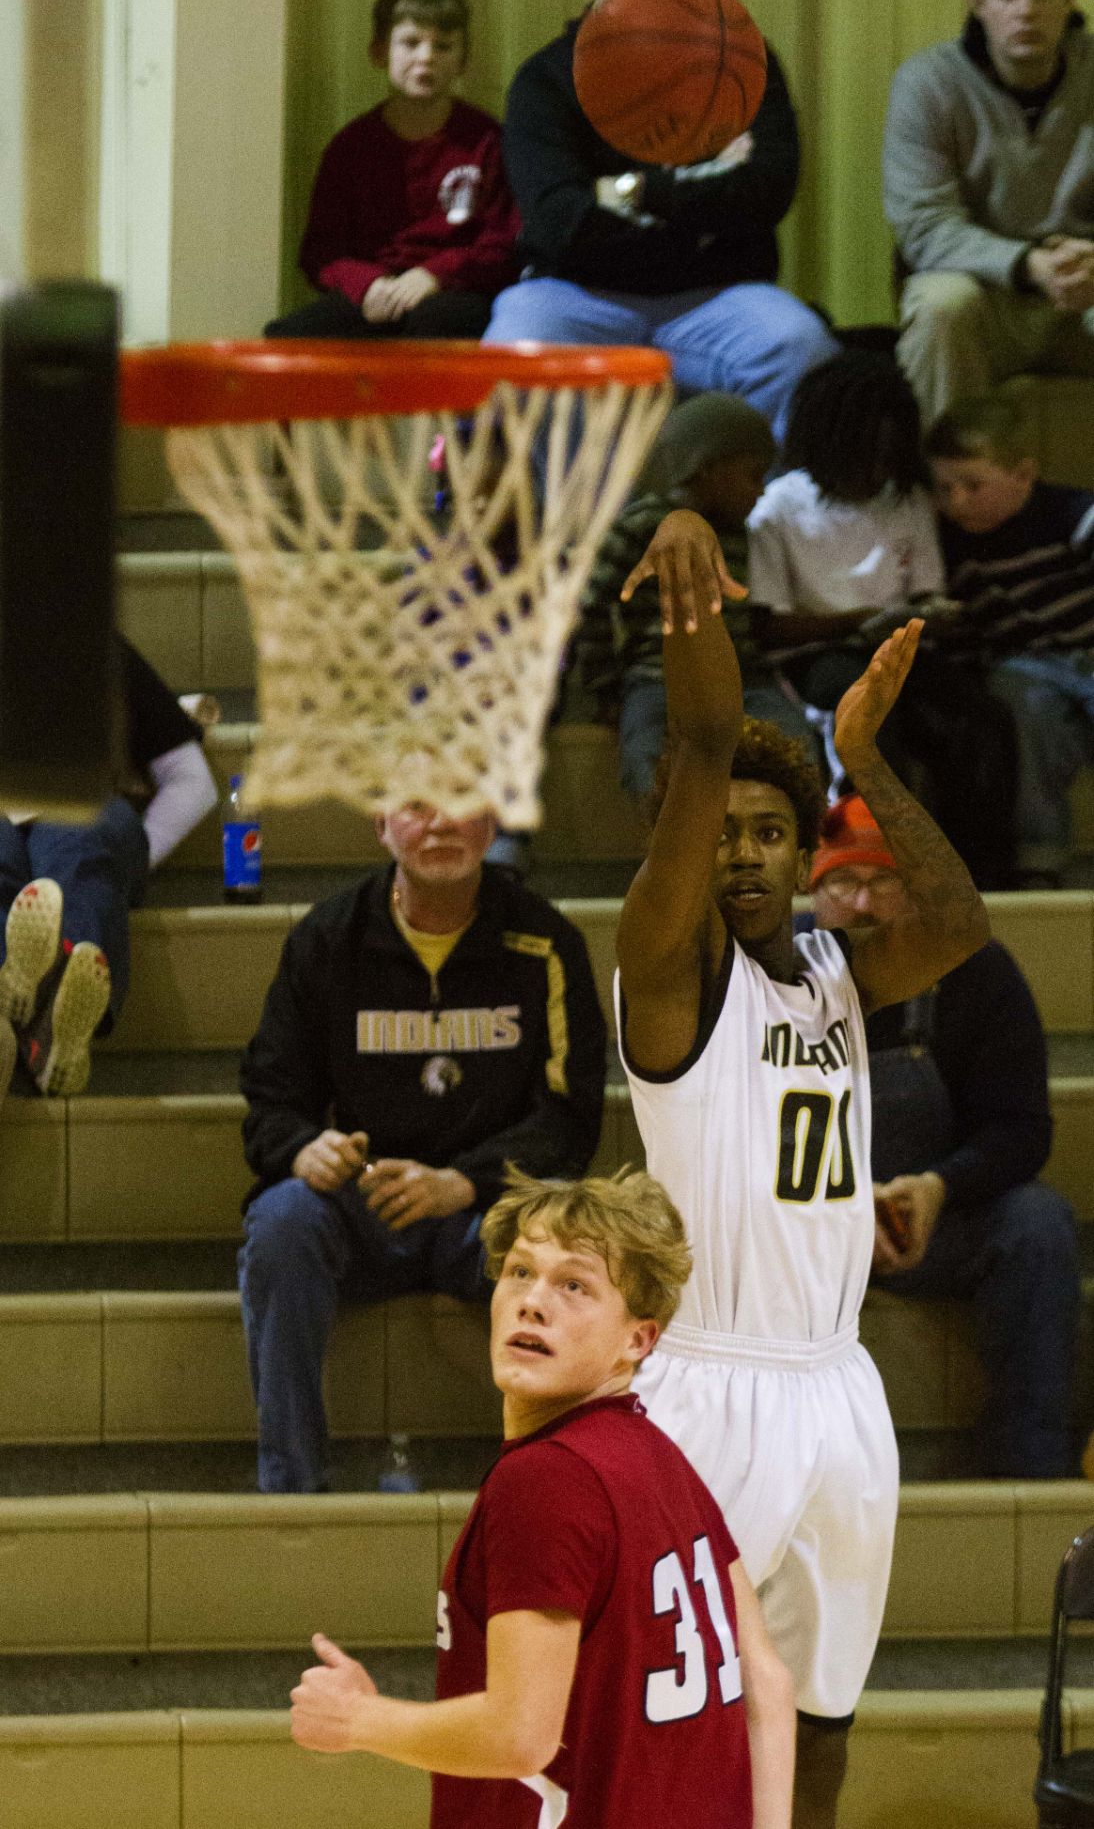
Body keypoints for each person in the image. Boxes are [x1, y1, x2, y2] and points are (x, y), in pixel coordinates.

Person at [612, 505, 991, 1828]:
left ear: (801, 851)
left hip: (837, 1389)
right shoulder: (667, 973)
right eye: (720, 832)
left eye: (769, 832)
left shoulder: (833, 972)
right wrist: (688, 568)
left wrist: (864, 757)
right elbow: (702, 740)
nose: (741, 851)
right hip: (703, 1390)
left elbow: (957, 921)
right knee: (671, 1730)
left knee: (817, 1727)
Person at [290, 1166, 796, 1828]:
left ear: (638, 1339)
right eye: (520, 1271)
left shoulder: (545, 1479)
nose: (532, 1302)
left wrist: (360, 1719)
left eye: (574, 1285)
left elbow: (519, 1736)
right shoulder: (664, 1459)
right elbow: (767, 1684)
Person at [238, 803, 607, 1492]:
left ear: (493, 824)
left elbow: (570, 1118)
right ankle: (290, 1489)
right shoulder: (327, 939)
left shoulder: (546, 941)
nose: (440, 822)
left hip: (488, 1212)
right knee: (282, 1221)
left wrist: (463, 1182)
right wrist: (303, 1148)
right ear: (381, 825)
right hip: (363, 1205)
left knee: (569, 1241)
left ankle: (555, 1487)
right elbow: (270, 1096)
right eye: (416, 803)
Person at [810, 793, 1079, 1479]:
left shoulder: (977, 970)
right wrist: (838, 1211)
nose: (863, 904)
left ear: (917, 889)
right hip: (804, 1229)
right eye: (843, 884)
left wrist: (939, 1186)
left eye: (884, 883)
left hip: (933, 1222)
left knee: (1037, 1224)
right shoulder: (775, 972)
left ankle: (1029, 1472)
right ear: (811, 888)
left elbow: (1022, 1129)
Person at [485, 0, 837, 445]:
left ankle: (751, 499)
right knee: (516, 346)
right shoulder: (547, 77)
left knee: (802, 348)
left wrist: (624, 192)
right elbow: (558, 221)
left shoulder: (745, 64)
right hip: (578, 296)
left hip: (714, 297)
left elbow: (767, 192)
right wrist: (699, 213)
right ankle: (585, 500)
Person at [747, 351, 1017, 888]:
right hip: (821, 656)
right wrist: (859, 622)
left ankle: (978, 872)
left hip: (903, 648)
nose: (877, 471)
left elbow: (926, 592)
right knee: (866, 721)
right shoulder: (779, 507)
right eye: (866, 455)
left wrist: (933, 616)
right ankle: (869, 868)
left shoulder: (907, 499)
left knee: (982, 721)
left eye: (889, 456)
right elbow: (770, 624)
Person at [884, 0, 1094, 421]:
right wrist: (1027, 264)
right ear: (976, 2)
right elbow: (924, 226)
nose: (1026, 10)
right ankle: (949, 471)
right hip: (985, 296)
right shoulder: (928, 83)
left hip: (1084, 292)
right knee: (942, 304)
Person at [575, 391, 818, 810]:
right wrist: (607, 691)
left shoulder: (743, 536)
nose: (761, 491)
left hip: (745, 678)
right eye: (753, 476)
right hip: (659, 678)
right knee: (648, 763)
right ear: (708, 469)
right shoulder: (641, 526)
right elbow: (592, 608)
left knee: (799, 753)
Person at [0, 634, 217, 1102]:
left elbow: (192, 781)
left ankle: (45, 1009)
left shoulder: (96, 645)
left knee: (81, 828)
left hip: (84, 818)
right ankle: (43, 1030)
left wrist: (130, 860)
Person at [266, 0, 519, 341]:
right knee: (286, 338)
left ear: (463, 61)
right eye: (411, 43)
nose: (426, 57)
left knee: (438, 324)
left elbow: (503, 244)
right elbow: (320, 251)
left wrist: (435, 275)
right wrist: (366, 284)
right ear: (379, 52)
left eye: (443, 46)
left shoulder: (487, 141)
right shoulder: (351, 147)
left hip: (453, 293)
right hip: (374, 292)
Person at [926, 392, 1094, 884]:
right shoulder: (947, 544)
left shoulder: (1067, 513)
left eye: (973, 485)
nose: (957, 501)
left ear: (1023, 475)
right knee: (1020, 709)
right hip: (1023, 664)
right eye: (944, 488)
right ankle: (1040, 860)